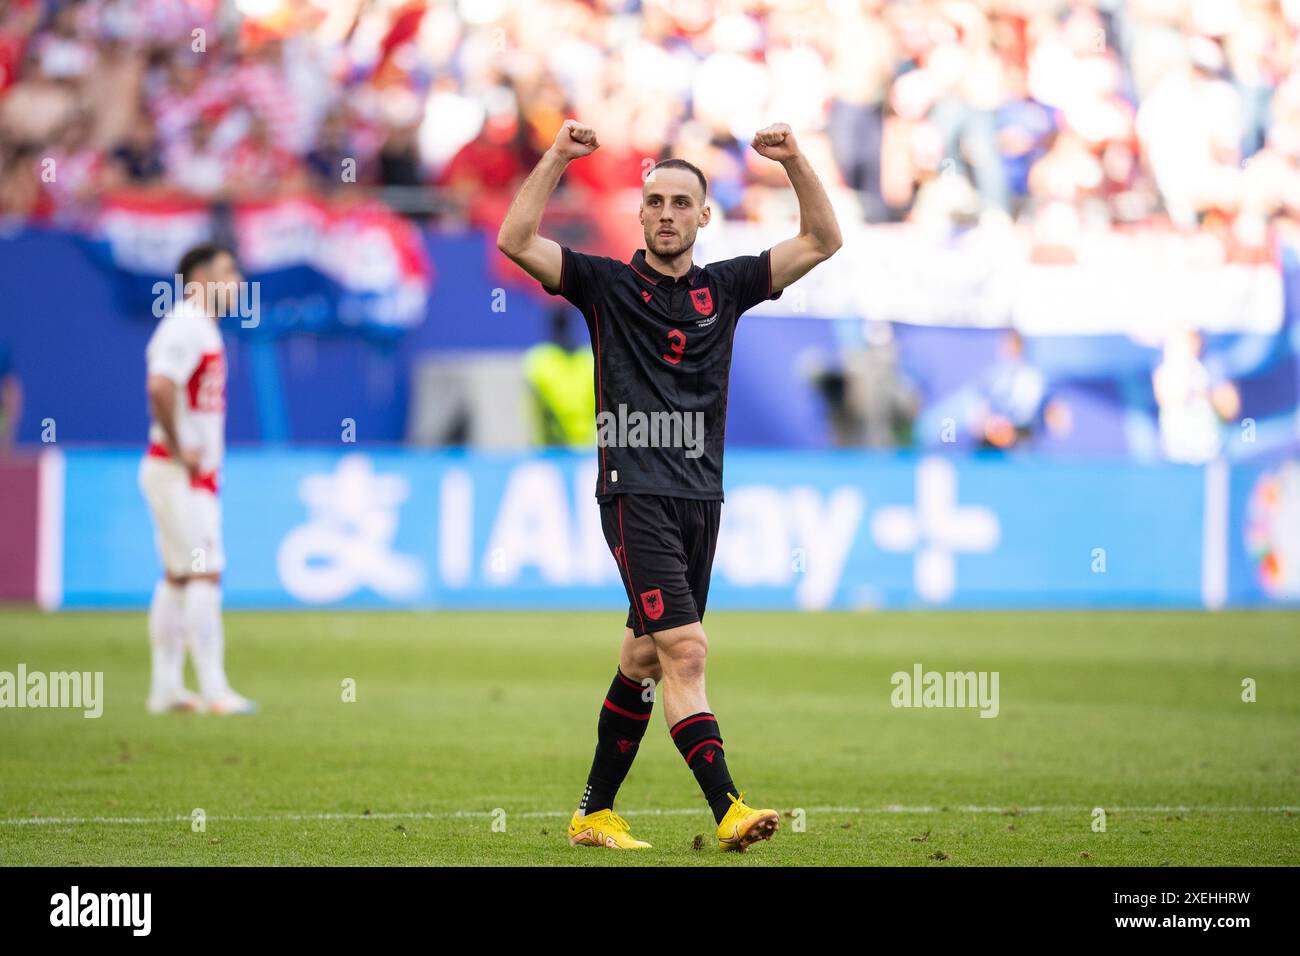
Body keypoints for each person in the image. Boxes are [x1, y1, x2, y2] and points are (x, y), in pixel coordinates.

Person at [497, 119, 841, 851]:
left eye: (681, 203)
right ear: (640, 212)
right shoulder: (607, 285)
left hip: (700, 500)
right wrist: (557, 155)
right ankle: (729, 807)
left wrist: (796, 162)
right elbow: (516, 240)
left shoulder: (730, 287)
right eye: (653, 201)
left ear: (703, 216)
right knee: (685, 651)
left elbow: (821, 241)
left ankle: (594, 812)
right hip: (634, 492)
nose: (665, 214)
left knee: (644, 659)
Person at [138, 243, 256, 716]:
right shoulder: (185, 325)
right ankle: (214, 689)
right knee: (206, 569)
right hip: (176, 471)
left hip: (184, 473)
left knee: (180, 576)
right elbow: (159, 385)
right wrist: (177, 442)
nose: (238, 282)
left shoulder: (201, 327)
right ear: (200, 279)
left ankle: (166, 688)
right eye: (229, 272)